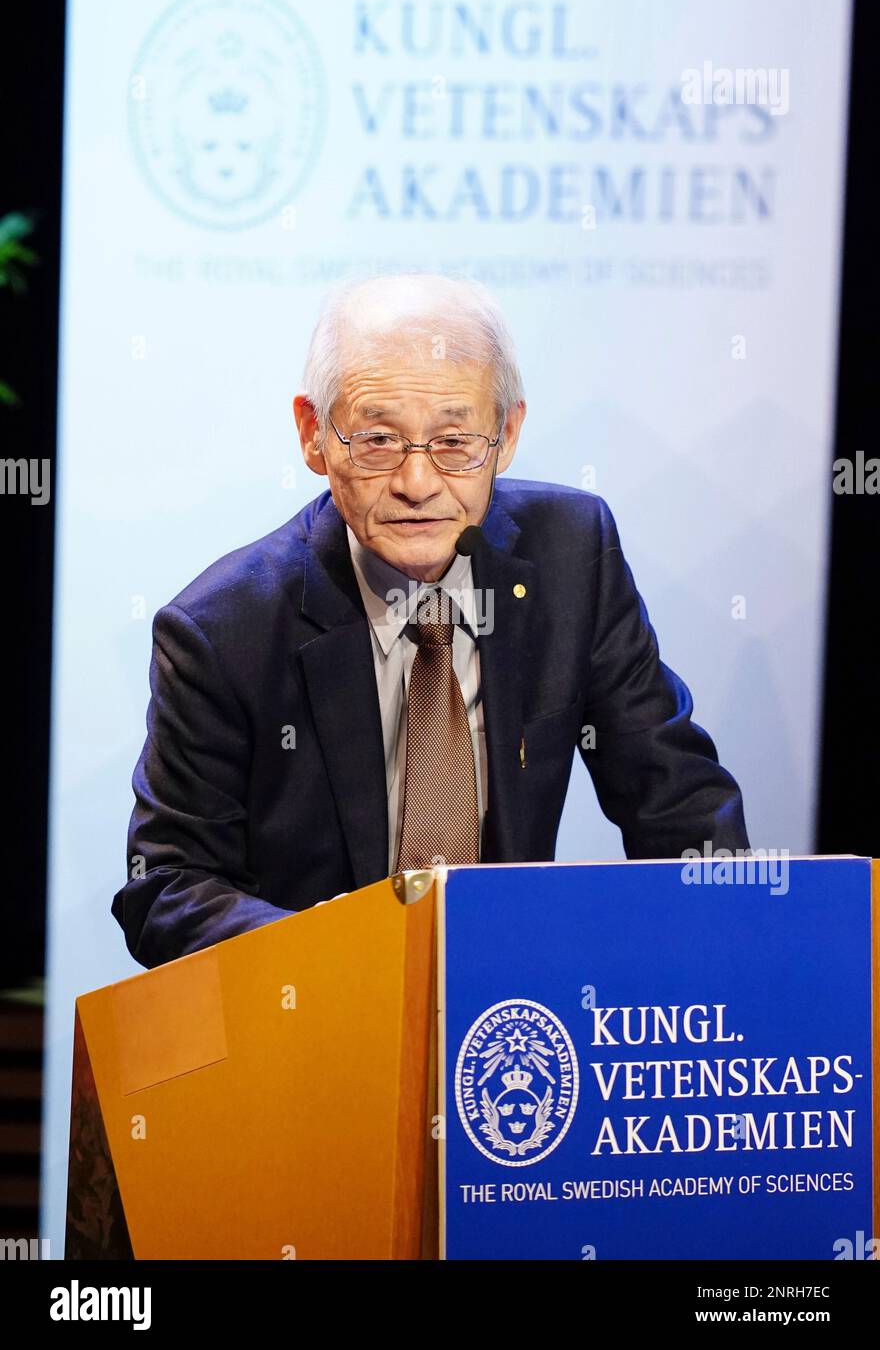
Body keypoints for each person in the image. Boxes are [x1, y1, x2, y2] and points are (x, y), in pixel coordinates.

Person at [113, 273, 748, 967]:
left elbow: (677, 804)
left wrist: (730, 962)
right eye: (379, 440)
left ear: (506, 435)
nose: (417, 484)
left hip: (518, 1016)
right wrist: (328, 952)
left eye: (454, 441)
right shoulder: (222, 629)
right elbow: (167, 887)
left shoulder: (571, 557)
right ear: (313, 434)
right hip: (318, 1020)